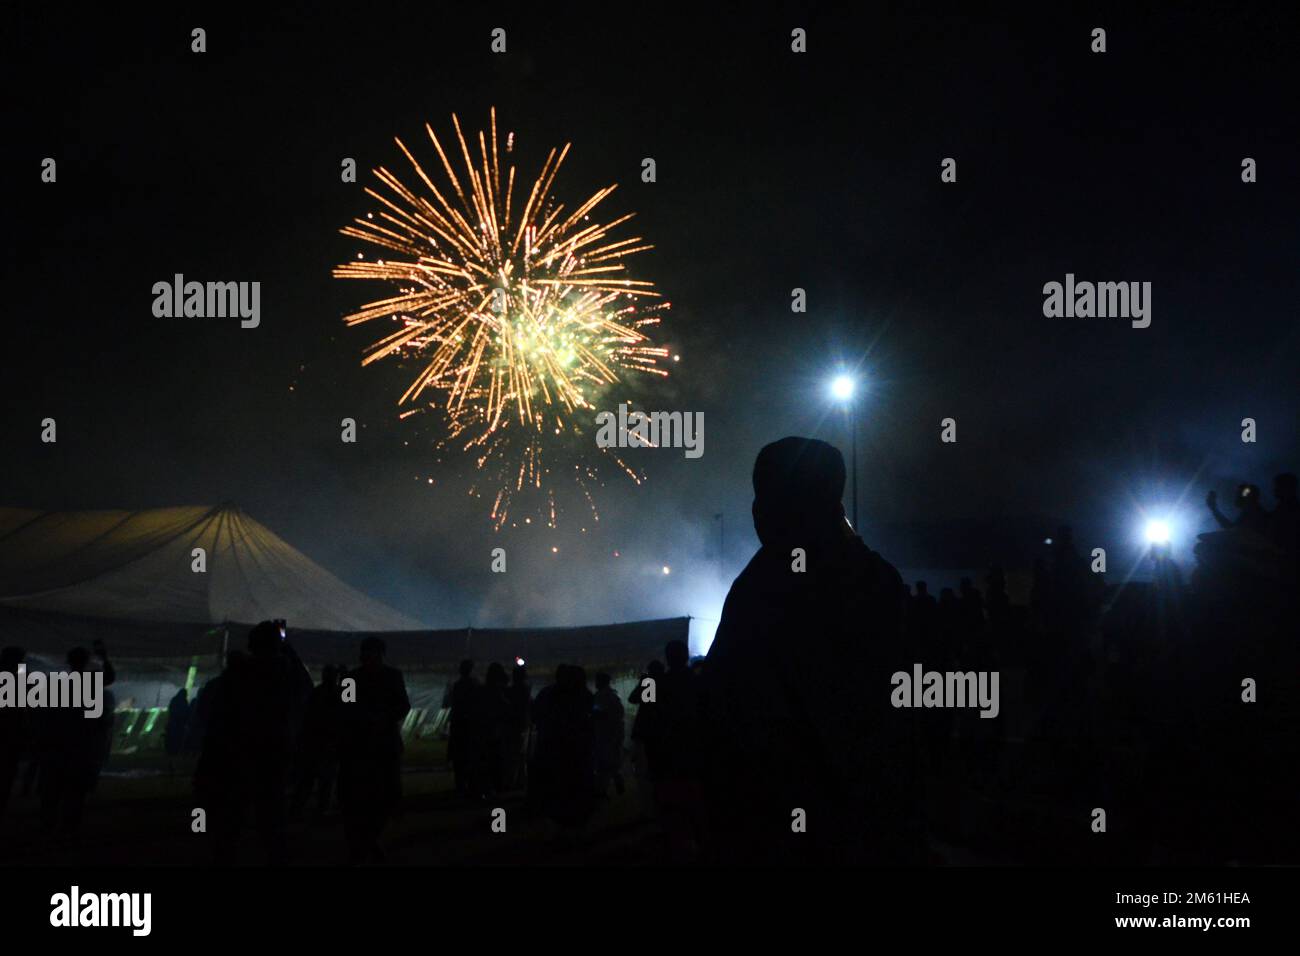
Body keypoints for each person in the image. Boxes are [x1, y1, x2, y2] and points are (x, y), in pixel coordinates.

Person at [702, 436, 921, 865]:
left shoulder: (763, 588)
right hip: (868, 822)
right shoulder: (876, 579)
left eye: (762, 497)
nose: (755, 512)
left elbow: (724, 713)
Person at [192, 621, 311, 864]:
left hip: (235, 756)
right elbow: (304, 687)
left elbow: (209, 712)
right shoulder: (282, 675)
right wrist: (286, 643)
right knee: (271, 818)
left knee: (231, 817)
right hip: (270, 756)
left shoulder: (235, 676)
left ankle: (224, 854)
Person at [337, 638, 410, 864]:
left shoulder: (387, 676)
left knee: (383, 799)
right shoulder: (355, 678)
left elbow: (403, 705)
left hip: (379, 745)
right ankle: (366, 842)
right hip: (363, 747)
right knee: (364, 799)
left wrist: (381, 717)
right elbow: (345, 708)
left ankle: (366, 841)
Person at [36, 641, 117, 835]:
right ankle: (68, 827)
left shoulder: (59, 684)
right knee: (75, 791)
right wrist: (104, 657)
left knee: (53, 790)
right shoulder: (91, 682)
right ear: (87, 661)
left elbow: (45, 714)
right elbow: (110, 677)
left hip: (58, 743)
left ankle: (48, 825)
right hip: (81, 744)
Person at [291, 664, 343, 818]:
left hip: (313, 743)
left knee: (307, 781)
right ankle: (321, 809)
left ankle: (296, 810)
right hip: (329, 743)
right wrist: (348, 679)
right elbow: (350, 705)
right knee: (326, 781)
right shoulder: (337, 693)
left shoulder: (316, 693)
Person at [444, 659, 481, 797]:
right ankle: (470, 786)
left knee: (459, 759)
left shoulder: (457, 686)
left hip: (459, 725)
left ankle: (460, 786)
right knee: (469, 757)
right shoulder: (473, 685)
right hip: (469, 726)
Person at [592, 672, 625, 797]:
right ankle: (618, 782)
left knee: (603, 764)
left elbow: (597, 714)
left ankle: (602, 791)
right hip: (615, 733)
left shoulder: (600, 696)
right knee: (613, 761)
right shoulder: (613, 695)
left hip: (604, 734)